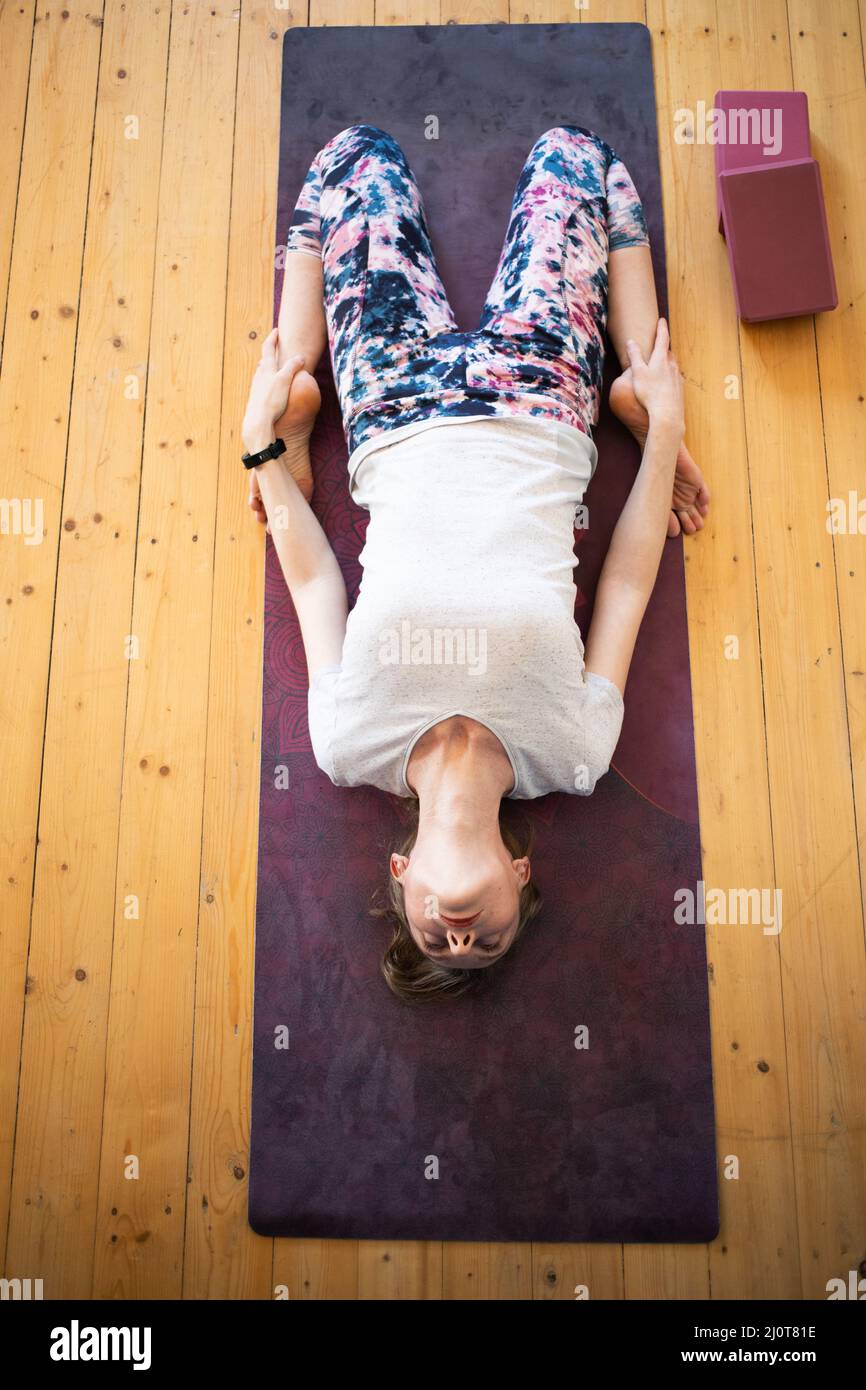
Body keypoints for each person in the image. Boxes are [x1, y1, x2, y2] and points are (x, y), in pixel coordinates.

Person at [241, 125, 709, 1000]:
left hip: (393, 406)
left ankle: (297, 387)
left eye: (432, 938)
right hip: (541, 403)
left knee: (349, 155)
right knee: (579, 155)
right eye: (484, 946)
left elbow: (312, 582)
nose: (456, 939)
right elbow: (626, 581)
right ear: (520, 881)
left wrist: (258, 449)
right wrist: (665, 442)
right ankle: (641, 391)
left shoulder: (348, 745)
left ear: (399, 875)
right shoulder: (573, 754)